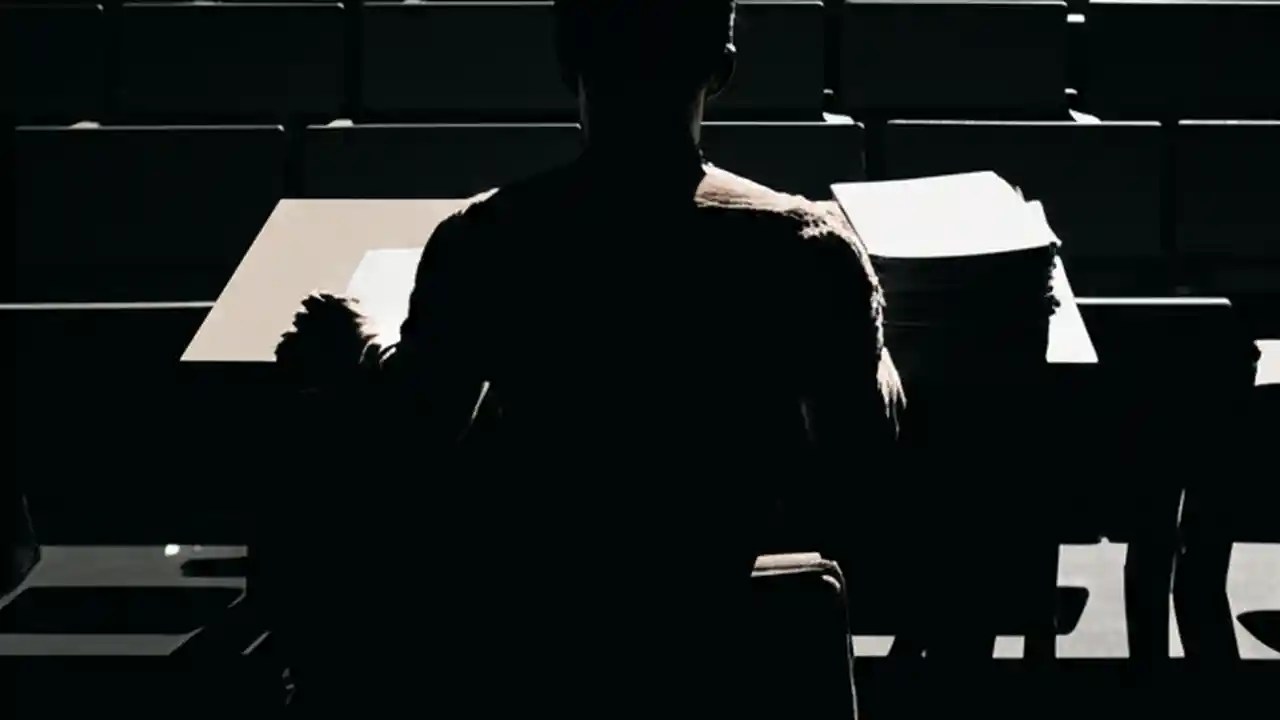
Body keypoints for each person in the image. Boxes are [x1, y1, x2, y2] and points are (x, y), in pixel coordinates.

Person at [272, 1, 904, 714]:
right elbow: (864, 459)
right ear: (721, 70)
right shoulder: (809, 249)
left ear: (566, 61)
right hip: (728, 654)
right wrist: (869, 332)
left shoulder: (484, 241)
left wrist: (362, 347)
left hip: (538, 654)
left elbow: (413, 433)